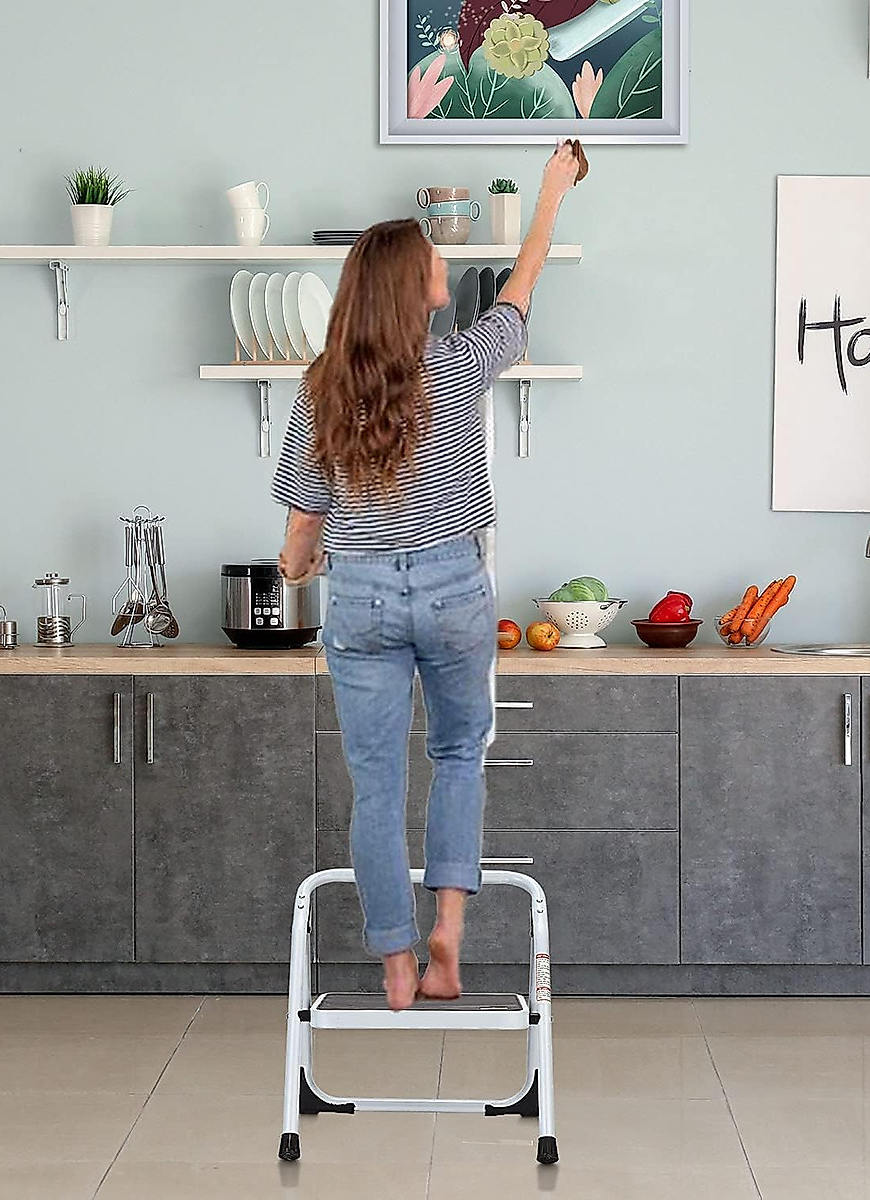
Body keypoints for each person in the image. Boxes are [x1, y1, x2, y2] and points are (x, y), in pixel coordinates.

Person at [273, 142, 582, 1010]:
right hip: (454, 592)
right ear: (415, 287)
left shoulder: (322, 388)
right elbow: (520, 296)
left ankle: (396, 963)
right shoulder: (456, 365)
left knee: (376, 784)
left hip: (361, 596)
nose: (446, 264)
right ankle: (448, 931)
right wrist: (554, 194)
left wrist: (300, 565)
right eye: (436, 258)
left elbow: (301, 530)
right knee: (457, 758)